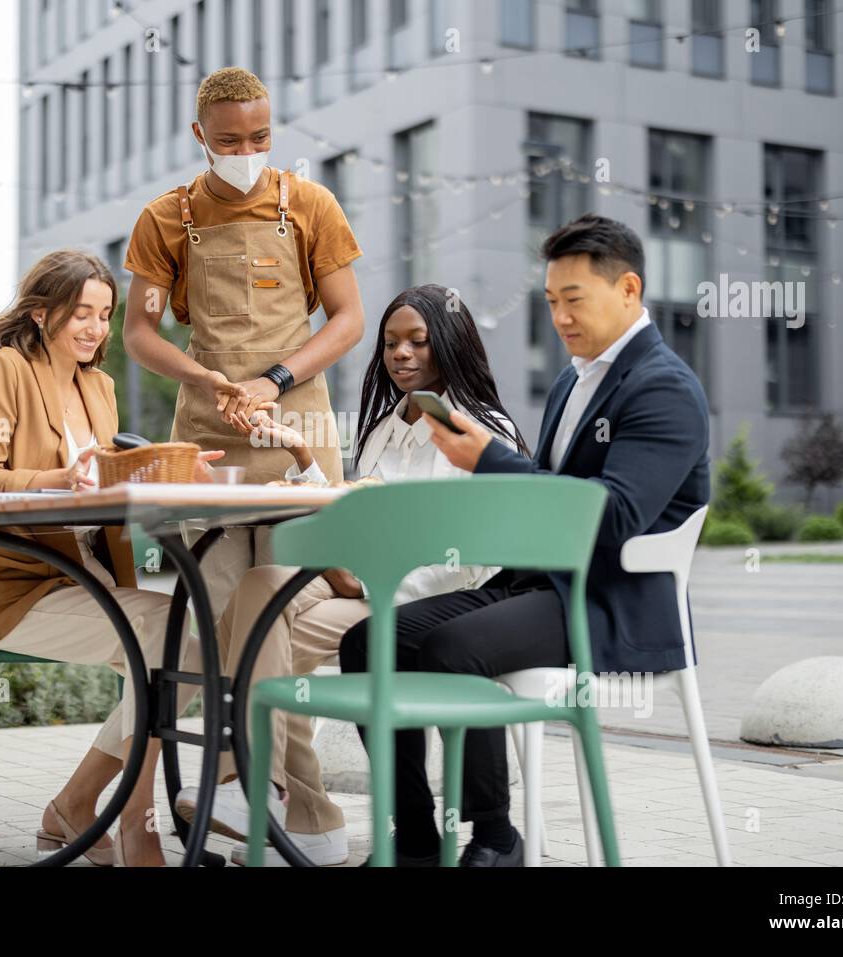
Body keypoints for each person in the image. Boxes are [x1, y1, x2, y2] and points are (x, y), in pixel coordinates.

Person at [340, 214, 711, 867]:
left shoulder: (665, 387)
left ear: (628, 290)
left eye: (576, 300)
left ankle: (495, 835)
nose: (561, 318)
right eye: (551, 302)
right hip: (541, 580)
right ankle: (420, 836)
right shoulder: (573, 379)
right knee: (368, 640)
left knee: (453, 649)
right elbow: (546, 491)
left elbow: (613, 514)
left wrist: (488, 459)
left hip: (608, 599)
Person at [174, 284, 528, 865]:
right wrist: (303, 459)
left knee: (253, 630)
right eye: (391, 343)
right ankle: (265, 791)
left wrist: (364, 582)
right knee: (260, 590)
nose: (402, 354)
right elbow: (355, 508)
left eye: (419, 341)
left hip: (422, 603)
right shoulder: (385, 427)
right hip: (363, 588)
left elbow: (472, 562)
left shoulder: (481, 430)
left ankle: (270, 792)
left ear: (451, 343)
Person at [0, 249, 222, 867]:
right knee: (174, 636)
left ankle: (77, 804)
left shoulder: (98, 386)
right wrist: (56, 479)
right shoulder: (7, 370)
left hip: (93, 577)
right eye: (81, 313)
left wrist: (161, 467)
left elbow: (100, 477)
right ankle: (136, 819)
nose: (95, 328)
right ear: (44, 310)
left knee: (183, 639)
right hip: (23, 587)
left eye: (105, 315)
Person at [121, 66, 364, 622]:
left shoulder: (311, 205)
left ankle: (279, 712)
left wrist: (273, 380)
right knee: (219, 608)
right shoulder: (164, 220)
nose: (246, 151)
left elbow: (348, 320)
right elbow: (138, 331)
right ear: (199, 134)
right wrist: (203, 378)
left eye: (261, 137)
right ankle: (227, 712)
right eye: (229, 141)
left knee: (289, 607)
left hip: (298, 429)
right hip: (213, 435)